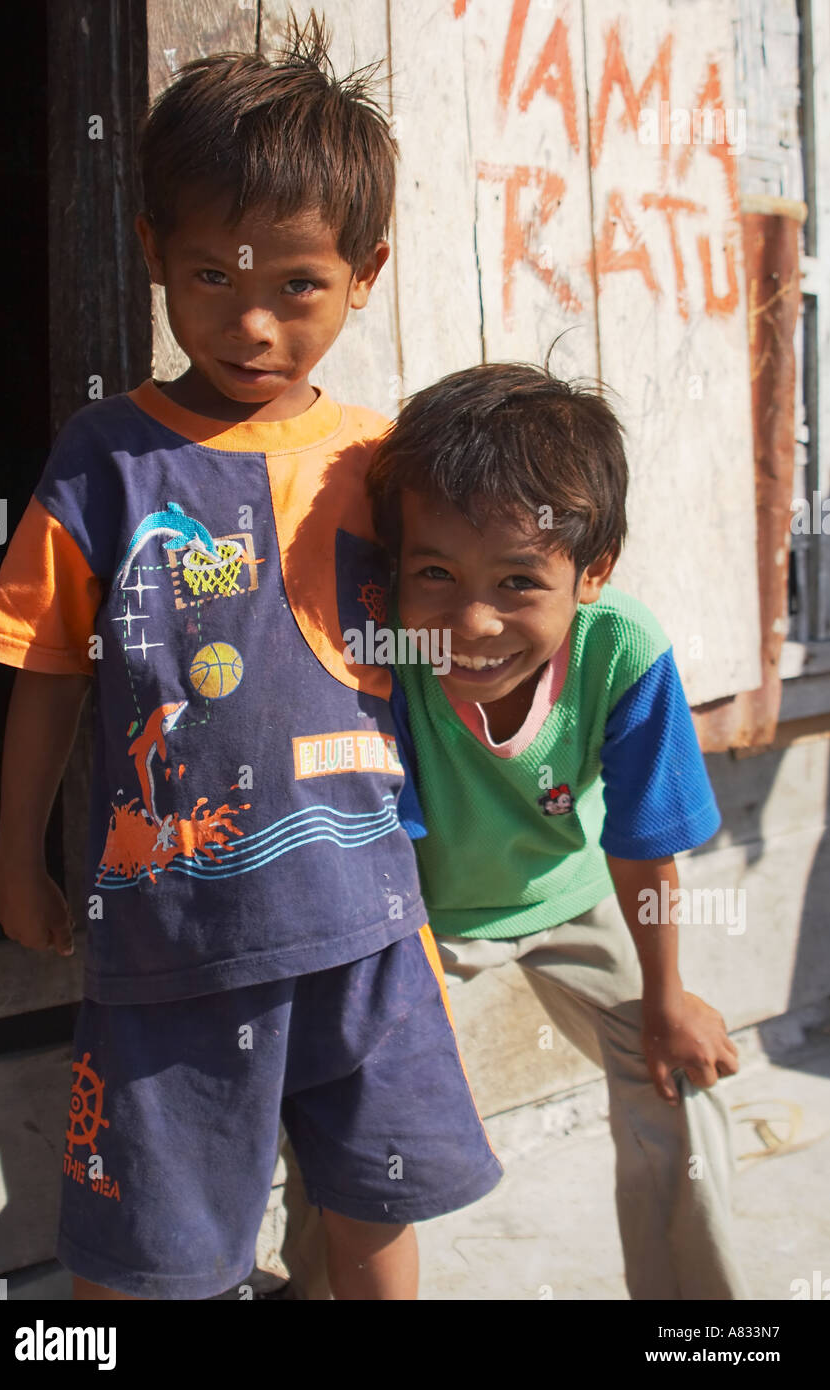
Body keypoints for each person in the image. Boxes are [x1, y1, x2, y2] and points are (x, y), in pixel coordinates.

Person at [0, 19, 501, 1302]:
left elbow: (457, 654)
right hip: (169, 938)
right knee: (146, 1250)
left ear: (366, 270)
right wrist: (15, 853)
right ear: (152, 253)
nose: (251, 323)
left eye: (296, 288)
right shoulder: (104, 460)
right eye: (208, 277)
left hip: (366, 926)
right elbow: (47, 669)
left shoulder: (390, 463)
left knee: (376, 1210)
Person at [364, 360, 749, 1300]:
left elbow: (643, 837)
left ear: (591, 572)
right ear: (393, 564)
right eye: (434, 573)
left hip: (572, 900)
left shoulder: (623, 647)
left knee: (679, 1077)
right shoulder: (378, 647)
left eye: (518, 581)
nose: (472, 620)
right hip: (420, 919)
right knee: (349, 1111)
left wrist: (665, 995)